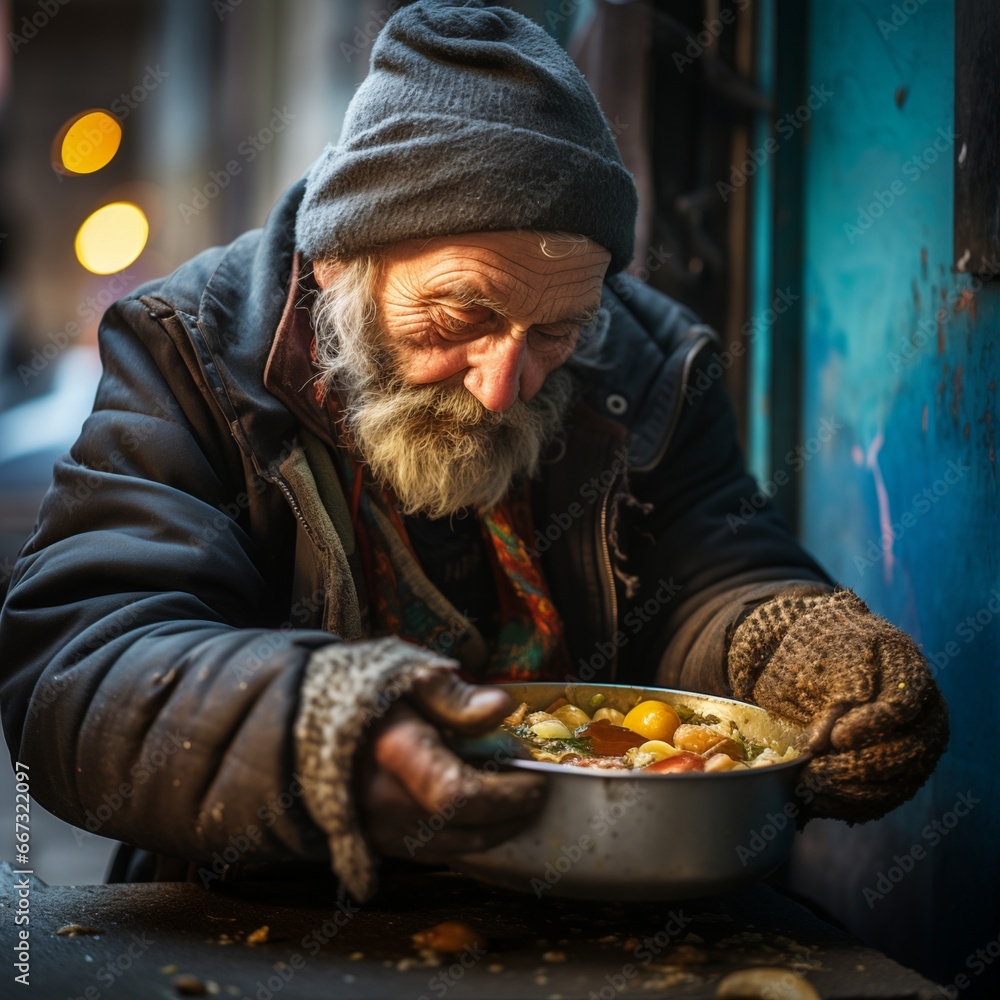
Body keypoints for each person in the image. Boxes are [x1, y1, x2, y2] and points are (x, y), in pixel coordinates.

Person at [0, 0, 946, 900]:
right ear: (340, 263)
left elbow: (704, 564)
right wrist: (314, 732)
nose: (505, 384)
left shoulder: (648, 361)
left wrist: (774, 638)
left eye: (558, 332)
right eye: (461, 315)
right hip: (265, 905)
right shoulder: (191, 355)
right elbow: (76, 667)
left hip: (597, 892)